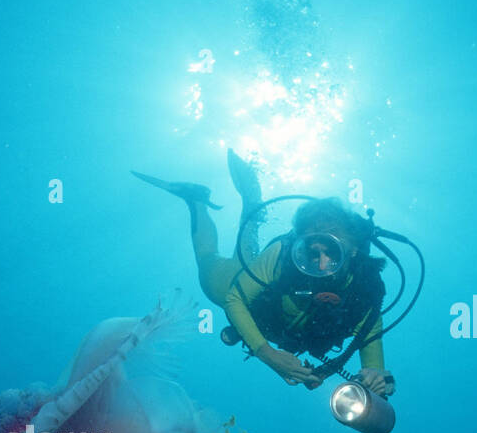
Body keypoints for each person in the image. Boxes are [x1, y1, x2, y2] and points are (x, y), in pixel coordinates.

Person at [133, 152, 396, 396]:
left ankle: (219, 202)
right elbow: (234, 299)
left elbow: (377, 374)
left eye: (333, 253)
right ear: (300, 247)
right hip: (253, 297)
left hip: (273, 326)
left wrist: (378, 380)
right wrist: (267, 353)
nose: (321, 265)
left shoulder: (365, 295)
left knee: (240, 259)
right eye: (312, 254)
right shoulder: (282, 255)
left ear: (352, 252)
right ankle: (217, 202)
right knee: (210, 275)